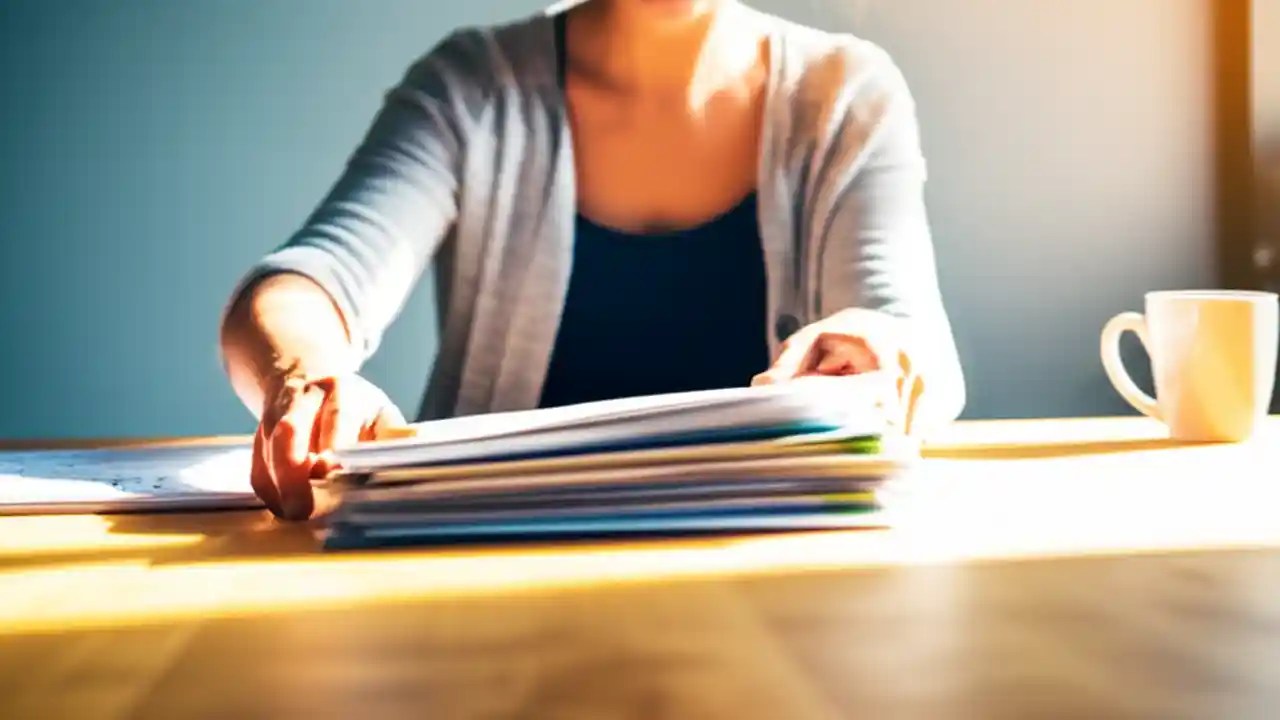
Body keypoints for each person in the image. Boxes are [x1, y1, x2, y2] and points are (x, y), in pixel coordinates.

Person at [220, 0, 966, 521]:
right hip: (475, 580)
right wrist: (304, 382)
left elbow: (914, 346)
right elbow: (307, 283)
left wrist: (886, 347)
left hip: (782, 579)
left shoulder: (847, 95)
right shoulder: (471, 87)